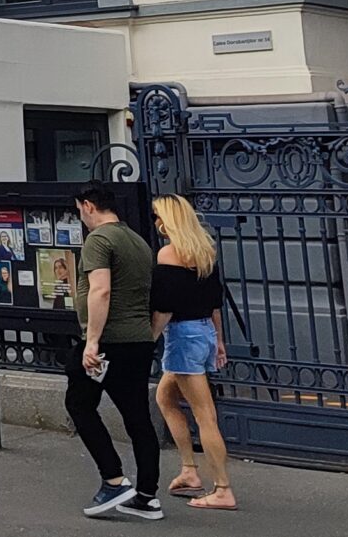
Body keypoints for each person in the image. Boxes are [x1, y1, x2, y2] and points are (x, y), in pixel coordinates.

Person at [68, 183, 163, 520]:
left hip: (108, 342)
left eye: (79, 209)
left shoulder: (99, 240)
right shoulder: (137, 241)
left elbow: (101, 290)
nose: (80, 215)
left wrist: (92, 342)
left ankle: (114, 480)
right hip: (137, 340)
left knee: (79, 405)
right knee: (137, 417)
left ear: (88, 205)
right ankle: (147, 497)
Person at [151, 195, 236, 511]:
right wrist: (219, 340)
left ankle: (223, 488)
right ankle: (189, 470)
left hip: (183, 336)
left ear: (169, 221)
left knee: (205, 415)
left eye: (158, 216)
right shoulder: (205, 253)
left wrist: (149, 340)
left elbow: (164, 308)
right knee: (165, 397)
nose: (156, 222)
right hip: (203, 332)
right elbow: (215, 304)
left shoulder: (168, 254)